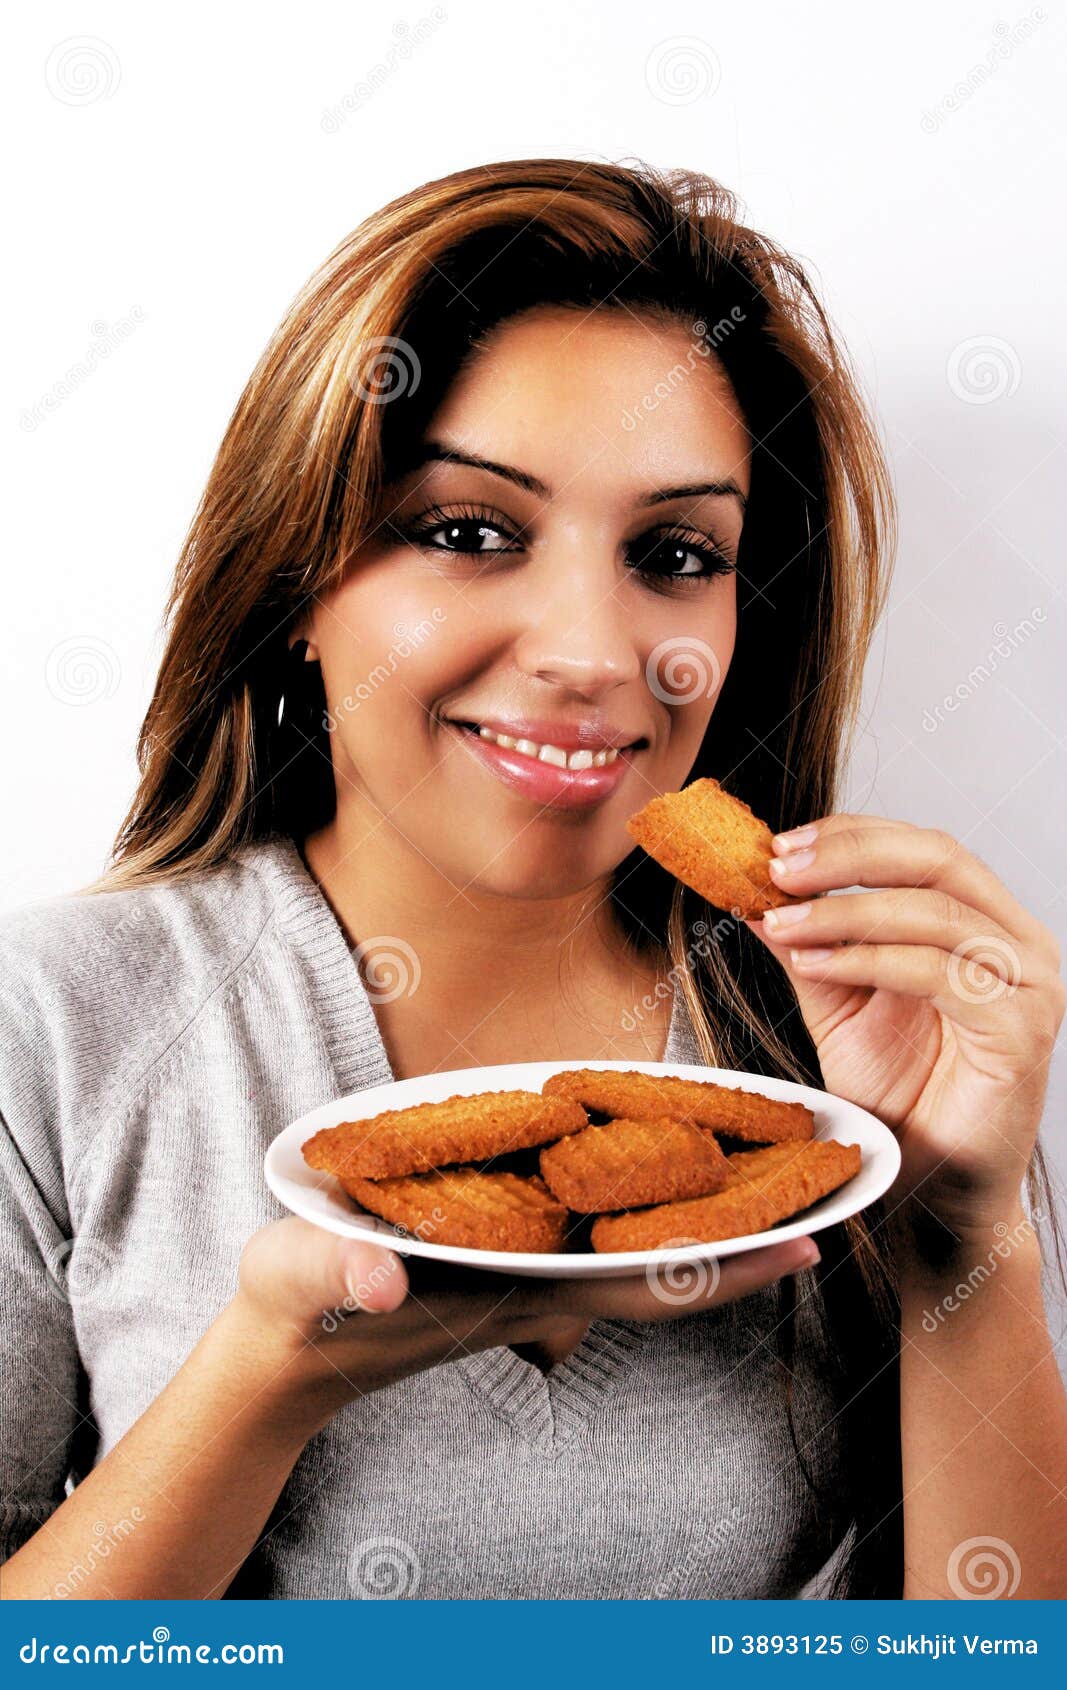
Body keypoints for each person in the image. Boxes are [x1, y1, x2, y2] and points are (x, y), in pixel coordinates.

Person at [1, 159, 1064, 1602]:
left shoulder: (835, 1052)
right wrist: (265, 1376)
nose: (589, 649)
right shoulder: (60, 1025)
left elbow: (983, 1655)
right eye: (469, 531)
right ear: (297, 585)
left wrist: (956, 1227)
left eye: (676, 553)